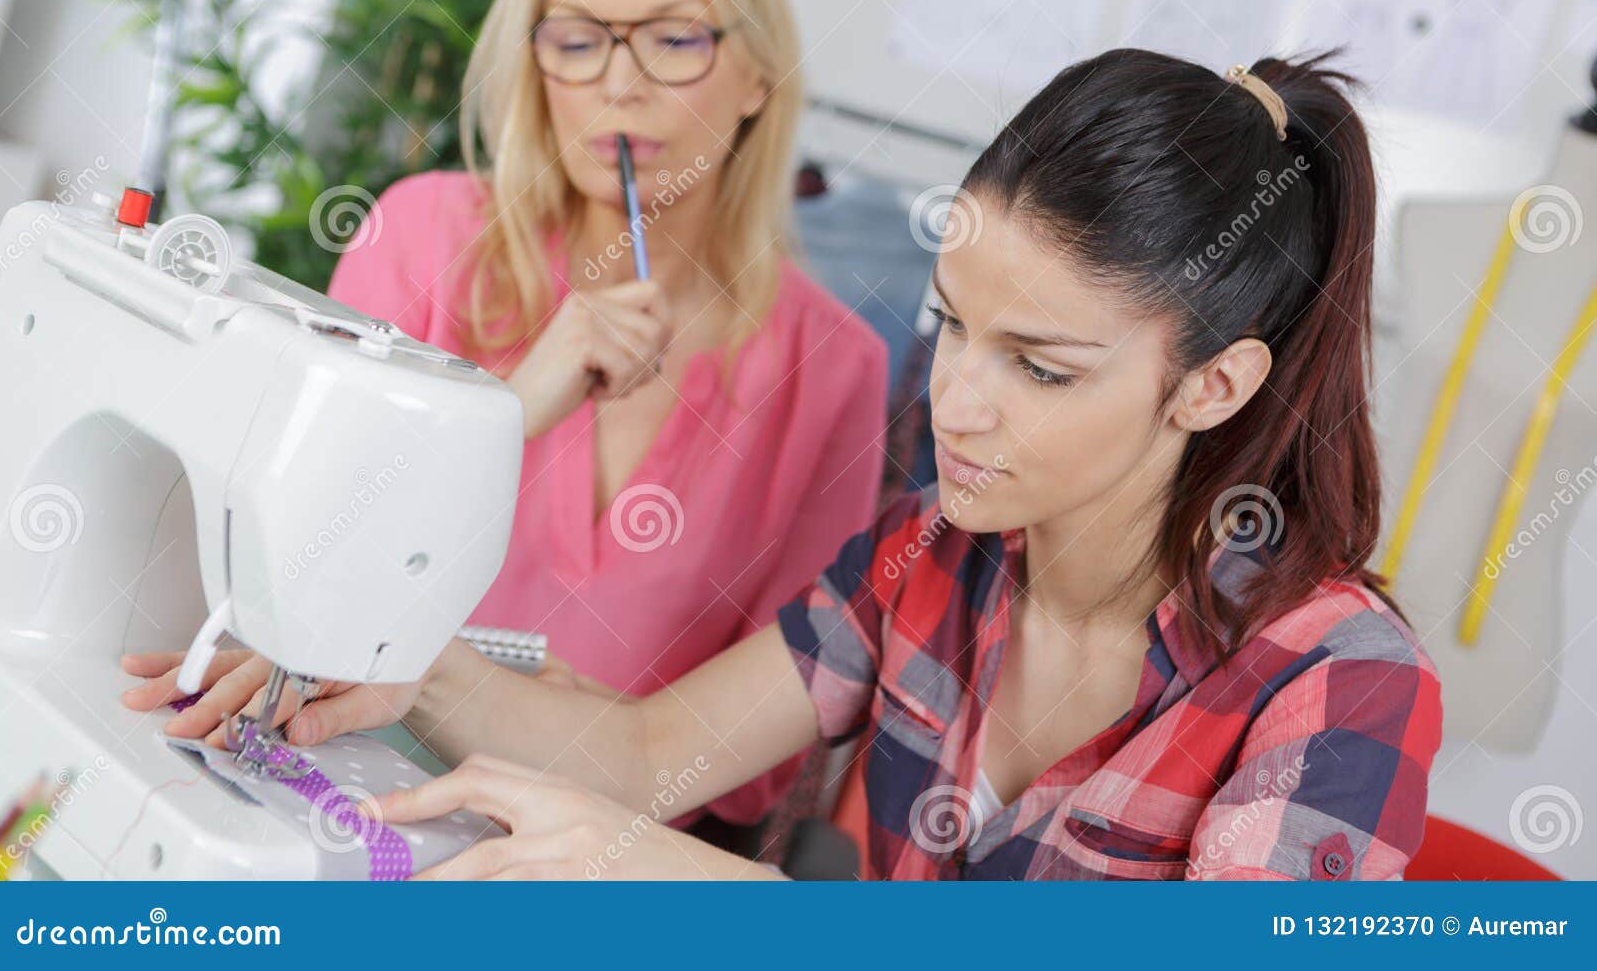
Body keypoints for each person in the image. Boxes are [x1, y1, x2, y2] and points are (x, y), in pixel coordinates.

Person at [124, 48, 1443, 881]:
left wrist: (710, 890)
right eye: (951, 329)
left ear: (1214, 385)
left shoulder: (1338, 686)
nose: (958, 409)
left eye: (1040, 367)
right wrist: (404, 654)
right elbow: (647, 757)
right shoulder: (933, 554)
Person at [296, 0, 888, 835]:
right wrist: (512, 408)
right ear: (537, 67)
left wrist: (523, 706)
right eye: (575, 41)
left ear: (755, 76)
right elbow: (308, 552)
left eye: (672, 40)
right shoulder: (421, 235)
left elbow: (744, 770)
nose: (618, 82)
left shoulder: (836, 365)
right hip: (340, 798)